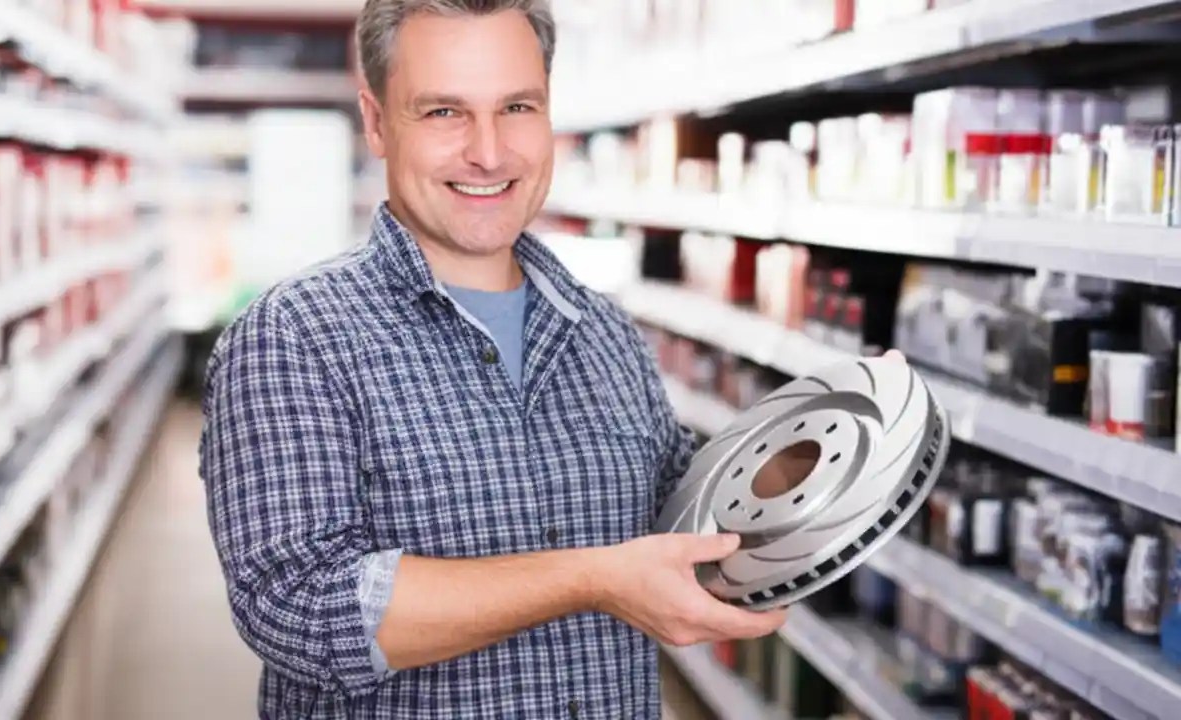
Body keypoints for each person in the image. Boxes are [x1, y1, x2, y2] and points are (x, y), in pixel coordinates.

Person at [199, 1, 785, 717]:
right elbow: (299, 609)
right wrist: (591, 579)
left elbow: (676, 507)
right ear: (378, 123)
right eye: (445, 112)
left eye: (516, 106)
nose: (488, 150)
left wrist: (804, 462)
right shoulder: (293, 338)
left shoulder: (604, 329)